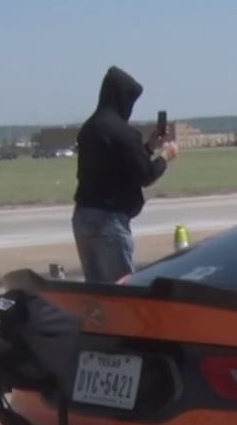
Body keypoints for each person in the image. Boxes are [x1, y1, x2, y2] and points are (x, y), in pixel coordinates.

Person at [71, 65, 179, 282]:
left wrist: (148, 147)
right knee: (120, 291)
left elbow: (117, 165)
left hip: (83, 216)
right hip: (109, 221)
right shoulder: (123, 132)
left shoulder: (90, 128)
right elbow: (145, 175)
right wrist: (166, 156)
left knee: (97, 291)